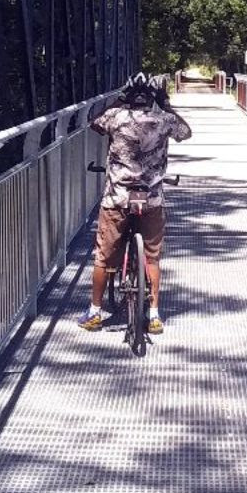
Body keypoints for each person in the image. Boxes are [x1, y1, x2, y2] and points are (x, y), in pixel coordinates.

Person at [79, 73, 192, 334]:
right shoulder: (164, 120)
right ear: (152, 98)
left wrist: (117, 100)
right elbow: (185, 133)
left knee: (104, 257)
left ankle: (95, 312)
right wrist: (166, 105)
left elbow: (94, 123)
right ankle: (153, 315)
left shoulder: (116, 117)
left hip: (118, 195)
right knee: (152, 258)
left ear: (128, 98)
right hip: (151, 197)